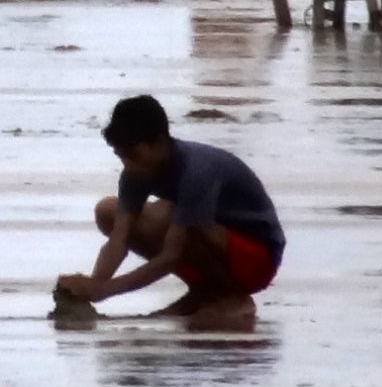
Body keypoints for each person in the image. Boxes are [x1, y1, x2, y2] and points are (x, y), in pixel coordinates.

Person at [54, 95, 283, 323]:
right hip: (216, 245)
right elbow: (118, 242)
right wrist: (93, 286)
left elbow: (170, 258)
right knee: (108, 211)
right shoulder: (134, 173)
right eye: (121, 156)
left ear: (160, 142)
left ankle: (233, 297)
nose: (128, 165)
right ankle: (204, 292)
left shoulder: (196, 170)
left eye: (134, 155)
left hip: (256, 258)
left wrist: (107, 290)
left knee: (173, 217)